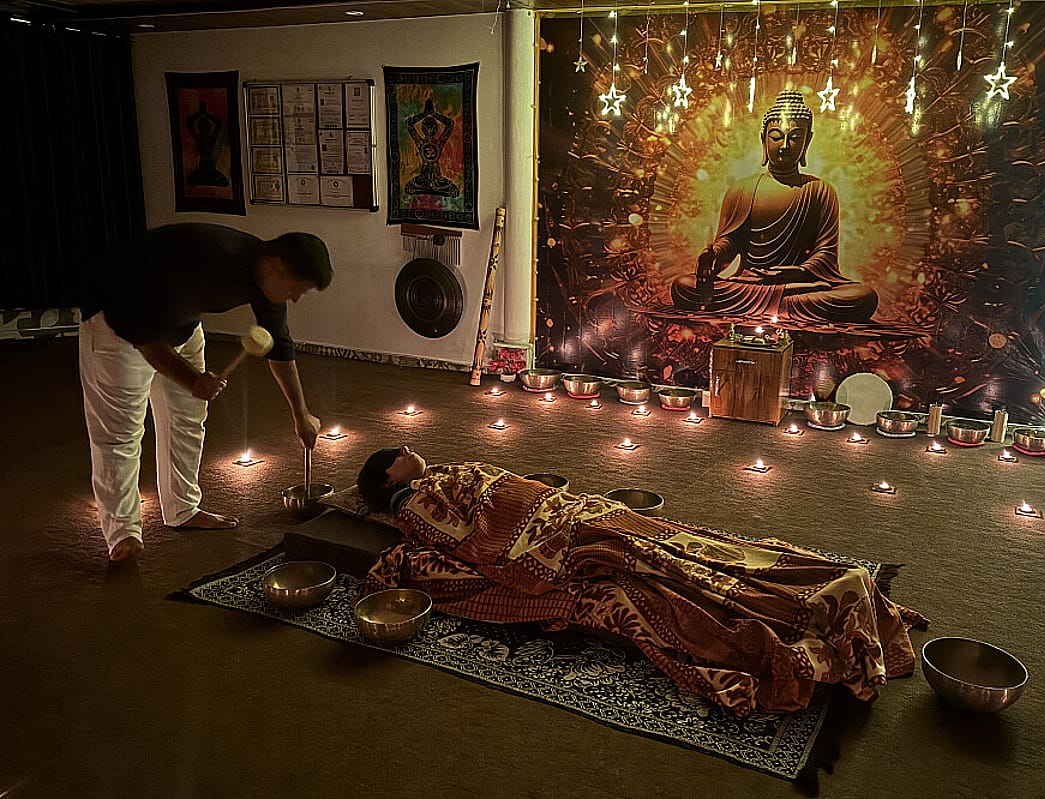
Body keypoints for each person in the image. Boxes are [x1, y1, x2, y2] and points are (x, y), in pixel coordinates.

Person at [356, 446, 925, 718]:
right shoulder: (416, 503)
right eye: (401, 455)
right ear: (390, 478)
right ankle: (795, 616)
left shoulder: (437, 478)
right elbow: (471, 538)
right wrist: (532, 537)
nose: (413, 450)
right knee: (660, 572)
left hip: (572, 513)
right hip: (556, 541)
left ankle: (816, 592)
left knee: (676, 543)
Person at [79, 224, 333, 562]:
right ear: (275, 265)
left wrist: (300, 414)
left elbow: (278, 344)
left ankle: (183, 508)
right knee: (120, 434)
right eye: (295, 289)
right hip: (119, 328)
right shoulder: (204, 260)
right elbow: (141, 333)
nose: (296, 298)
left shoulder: (264, 278)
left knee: (188, 419)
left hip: (180, 328)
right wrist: (192, 380)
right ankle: (122, 532)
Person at [671, 90, 878, 324]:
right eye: (777, 136)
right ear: (763, 139)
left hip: (799, 287)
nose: (785, 145)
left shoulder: (820, 191)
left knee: (863, 297)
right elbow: (730, 243)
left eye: (795, 138)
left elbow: (825, 253)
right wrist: (713, 256)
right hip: (749, 285)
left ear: (807, 141)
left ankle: (779, 306)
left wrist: (797, 272)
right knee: (683, 286)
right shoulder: (742, 190)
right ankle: (781, 308)